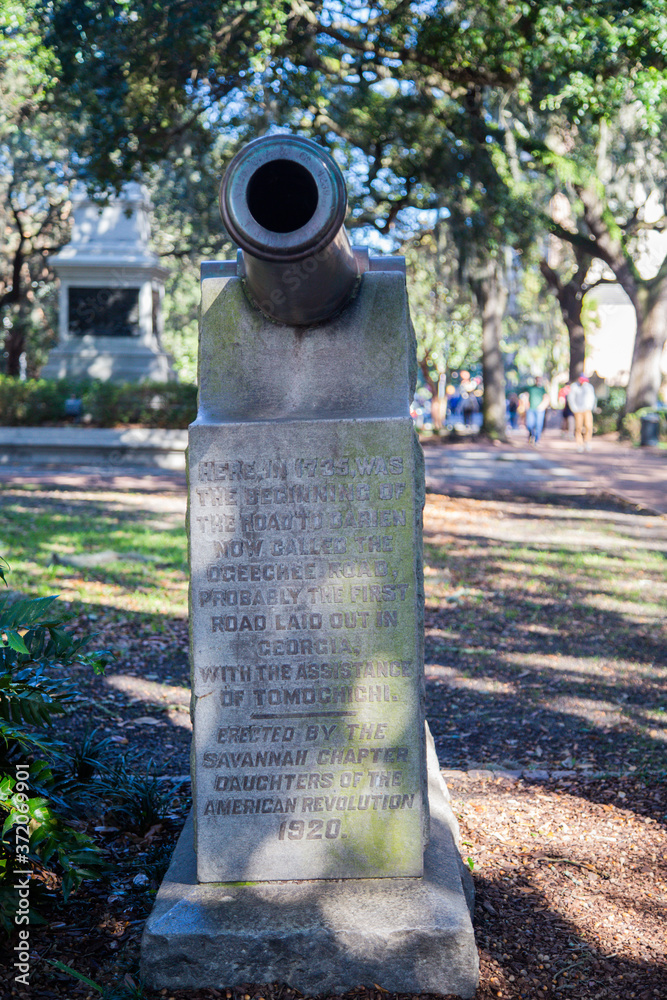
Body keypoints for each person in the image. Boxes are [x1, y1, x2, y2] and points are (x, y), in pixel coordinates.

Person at [567, 373, 596, 451]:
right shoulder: (574, 386)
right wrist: (574, 408)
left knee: (588, 426)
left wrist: (591, 407)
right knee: (578, 427)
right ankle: (579, 443)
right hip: (578, 410)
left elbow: (592, 398)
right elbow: (571, 398)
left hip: (587, 409)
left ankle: (587, 441)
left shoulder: (589, 387)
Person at [517, 377, 549, 445]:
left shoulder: (542, 389)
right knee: (529, 424)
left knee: (539, 425)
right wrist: (526, 405)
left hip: (539, 410)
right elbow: (526, 396)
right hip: (531, 409)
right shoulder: (530, 388)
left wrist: (542, 406)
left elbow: (546, 398)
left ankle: (537, 440)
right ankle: (531, 435)